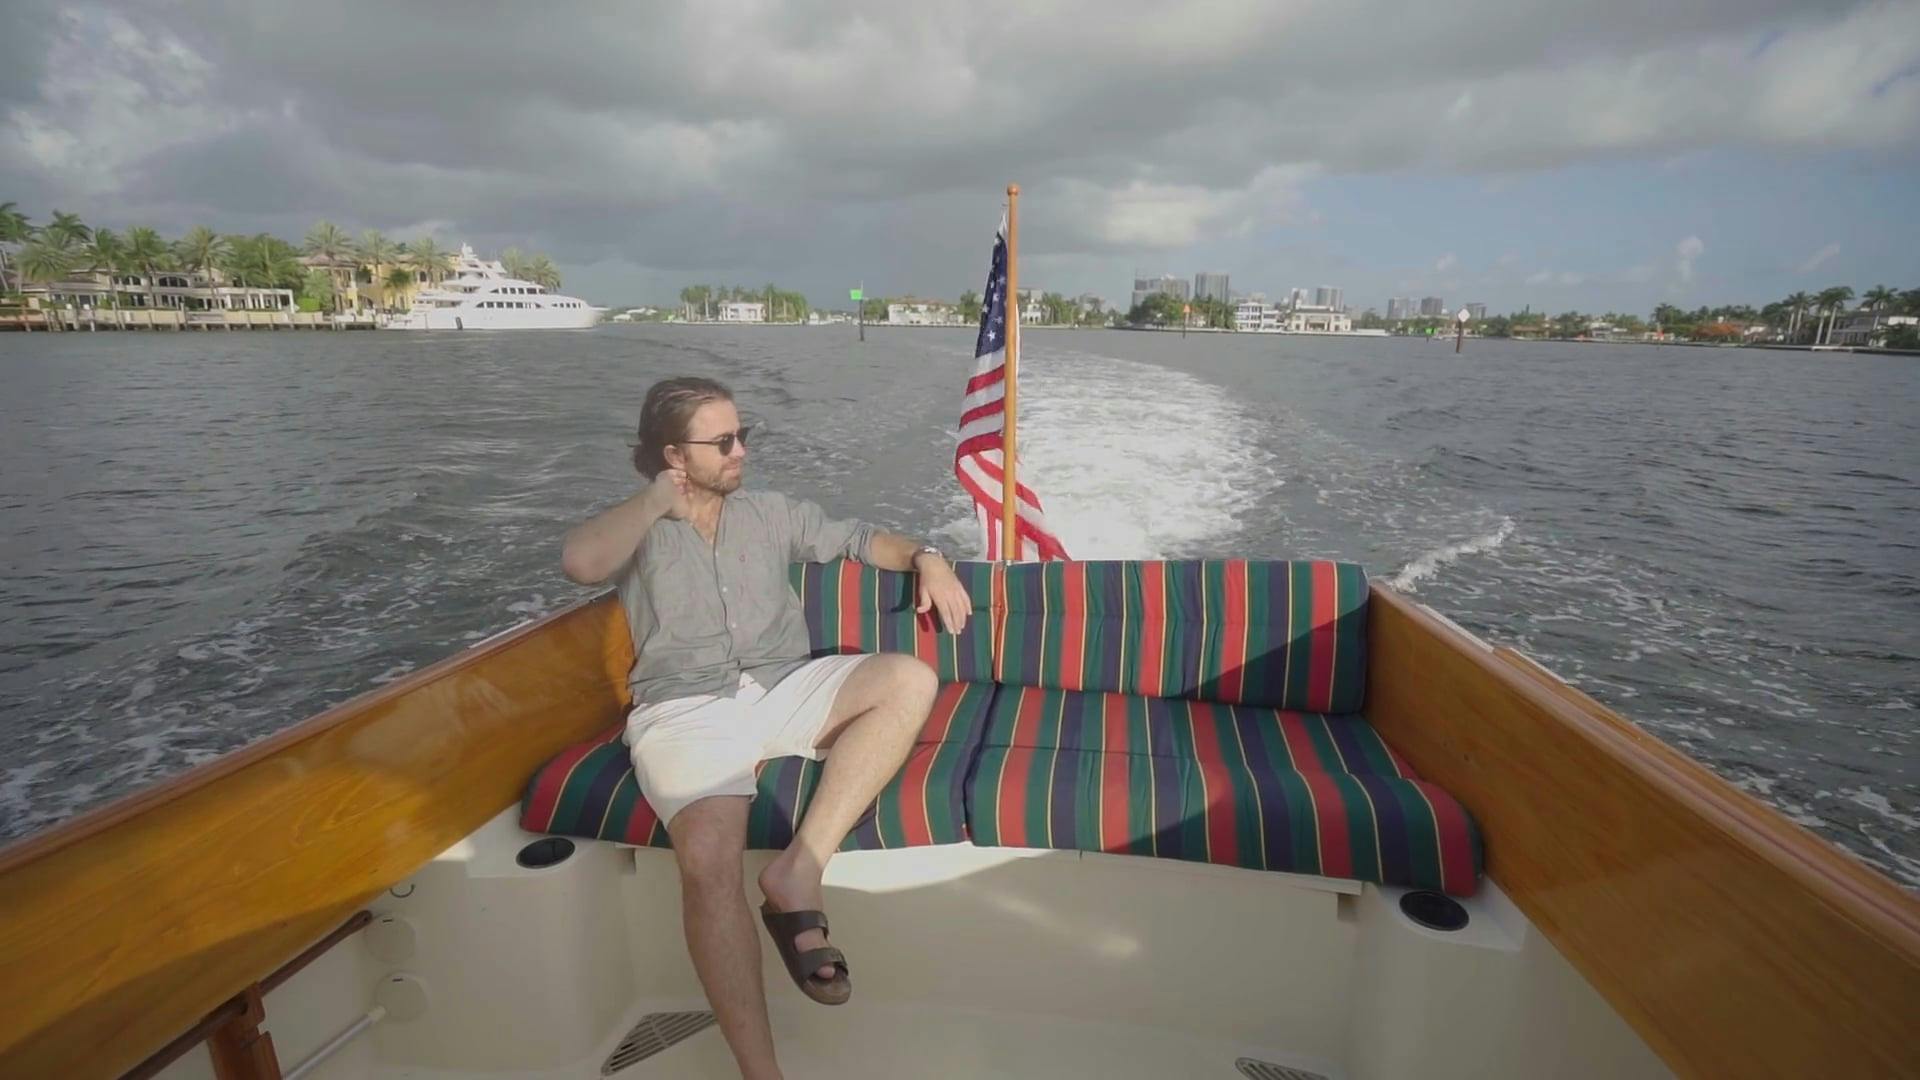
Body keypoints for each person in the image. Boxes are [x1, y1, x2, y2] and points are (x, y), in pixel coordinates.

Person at [561, 375, 971, 1080]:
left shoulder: (771, 513)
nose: (741, 451)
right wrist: (658, 498)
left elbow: (865, 540)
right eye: (723, 441)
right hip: (684, 707)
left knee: (909, 677)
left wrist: (928, 556)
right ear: (674, 454)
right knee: (709, 863)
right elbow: (580, 564)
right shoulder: (637, 527)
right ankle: (762, 1073)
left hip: (785, 684)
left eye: (743, 435)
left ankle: (799, 871)